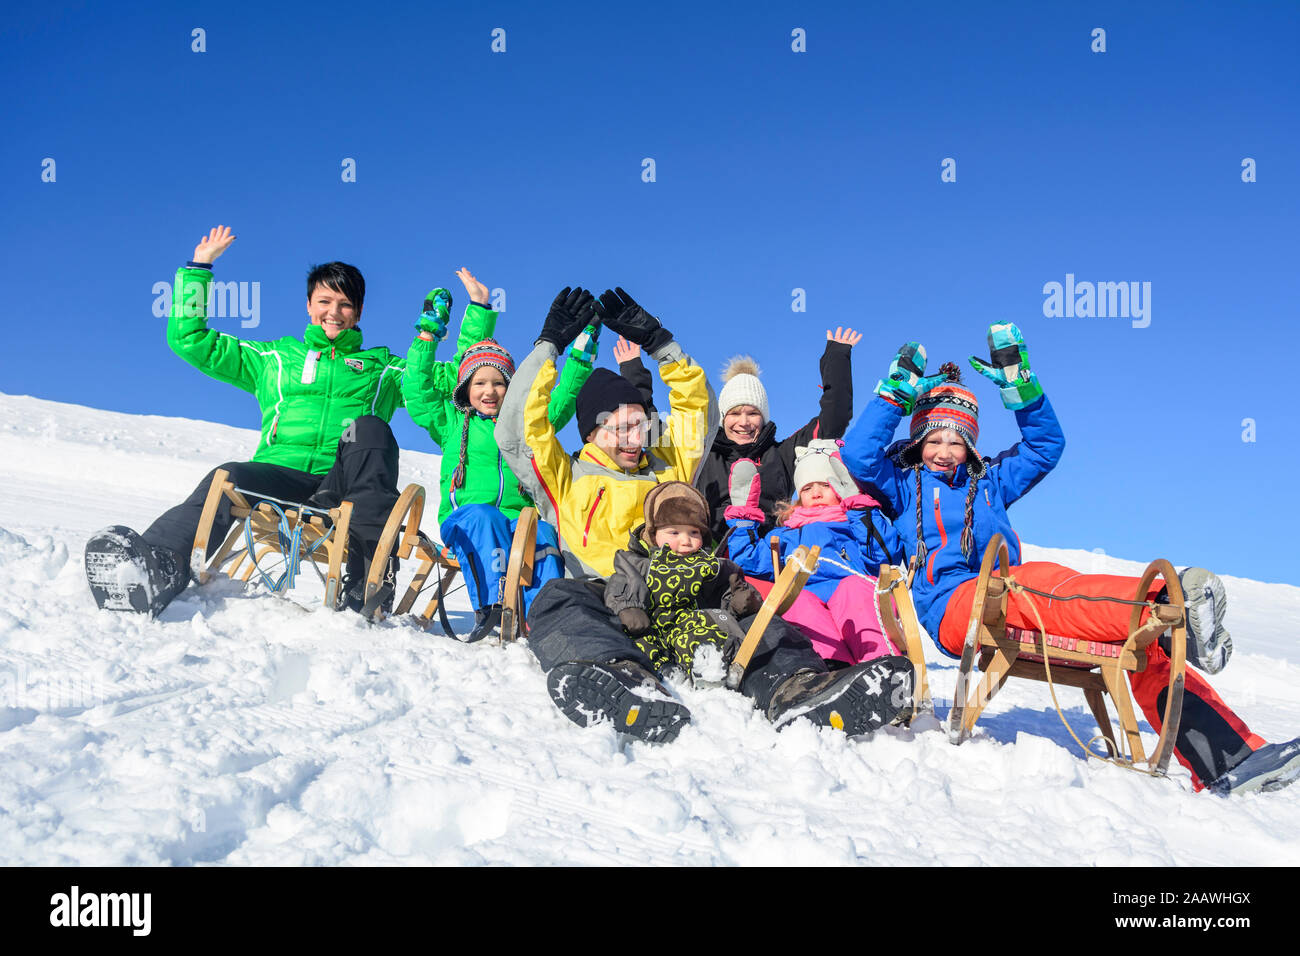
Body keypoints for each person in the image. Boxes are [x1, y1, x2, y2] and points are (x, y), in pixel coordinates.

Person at [840, 324, 1300, 795]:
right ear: (917, 441)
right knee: (1043, 586)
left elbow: (1045, 447)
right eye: (933, 440)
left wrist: (1021, 386)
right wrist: (894, 394)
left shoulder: (990, 482)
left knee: (1139, 647)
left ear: (971, 445)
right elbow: (857, 453)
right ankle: (1167, 604)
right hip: (956, 608)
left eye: (955, 441)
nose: (943, 451)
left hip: (1011, 593)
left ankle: (1230, 761)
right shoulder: (900, 485)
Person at [496, 286, 914, 743]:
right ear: (593, 431)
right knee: (557, 597)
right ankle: (622, 680)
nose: (635, 437)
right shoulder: (564, 475)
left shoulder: (667, 466)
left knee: (757, 612)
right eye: (621, 426)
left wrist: (661, 345)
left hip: (693, 593)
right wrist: (548, 346)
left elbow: (698, 409)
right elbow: (519, 429)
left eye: (641, 424)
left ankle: (798, 688)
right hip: (613, 597)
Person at [85, 225, 408, 618]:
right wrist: (198, 269)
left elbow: (456, 384)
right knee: (230, 473)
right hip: (280, 478)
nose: (333, 312)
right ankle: (158, 566)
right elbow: (192, 342)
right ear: (309, 305)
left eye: (344, 304)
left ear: (358, 312)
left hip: (342, 487)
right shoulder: (274, 359)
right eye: (325, 301)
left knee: (371, 428)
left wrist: (475, 322)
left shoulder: (385, 368)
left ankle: (367, 583)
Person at [402, 269, 596, 641]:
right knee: (484, 516)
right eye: (480, 383)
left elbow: (562, 400)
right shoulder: (450, 421)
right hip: (466, 521)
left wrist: (581, 356)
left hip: (518, 522)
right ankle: (492, 607)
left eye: (499, 383)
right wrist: (429, 334)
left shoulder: (525, 424)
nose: (489, 391)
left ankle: (545, 616)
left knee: (542, 532)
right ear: (465, 387)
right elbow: (418, 387)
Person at [725, 441, 902, 665]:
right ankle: (833, 668)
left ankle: (882, 662)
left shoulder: (855, 525)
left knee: (853, 589)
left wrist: (859, 509)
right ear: (799, 496)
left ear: (842, 489)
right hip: (807, 595)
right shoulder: (786, 535)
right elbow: (748, 562)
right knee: (796, 597)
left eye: (826, 485)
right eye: (807, 488)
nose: (816, 493)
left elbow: (885, 556)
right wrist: (743, 517)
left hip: (855, 591)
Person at [695, 328, 863, 545]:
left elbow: (834, 418)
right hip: (711, 556)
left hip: (768, 556)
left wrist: (836, 358)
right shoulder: (703, 454)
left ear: (763, 418)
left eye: (753, 413)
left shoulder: (782, 454)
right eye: (735, 413)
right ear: (722, 418)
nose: (744, 422)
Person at [604, 482, 762, 684]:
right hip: (654, 625)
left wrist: (742, 598)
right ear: (654, 535)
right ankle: (661, 672)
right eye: (674, 533)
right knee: (639, 641)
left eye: (694, 533)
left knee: (704, 632)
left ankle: (710, 666)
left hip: (694, 622)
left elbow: (729, 584)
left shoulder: (711, 564)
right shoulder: (641, 563)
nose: (686, 540)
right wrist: (629, 607)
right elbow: (623, 583)